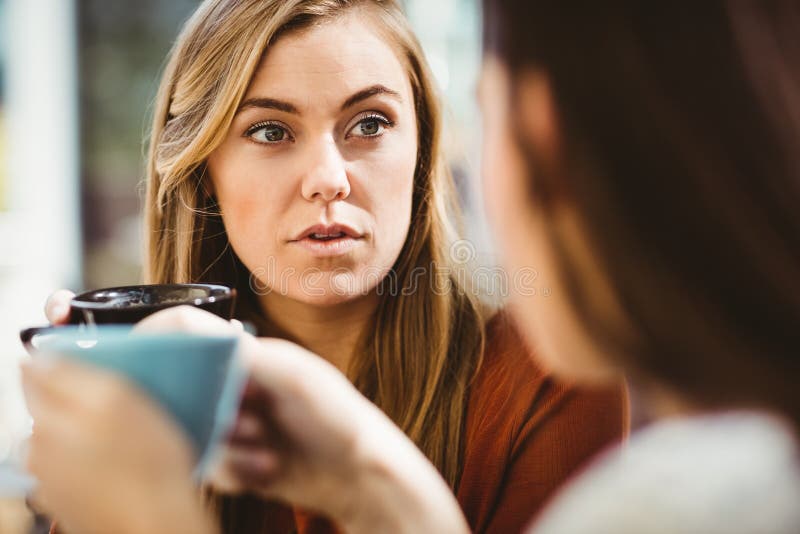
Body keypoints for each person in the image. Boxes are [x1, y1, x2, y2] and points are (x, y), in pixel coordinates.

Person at [23, 1, 627, 533]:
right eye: (270, 131)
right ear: (205, 174)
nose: (329, 180)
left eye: (370, 124)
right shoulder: (148, 401)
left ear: (421, 150)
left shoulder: (549, 376)